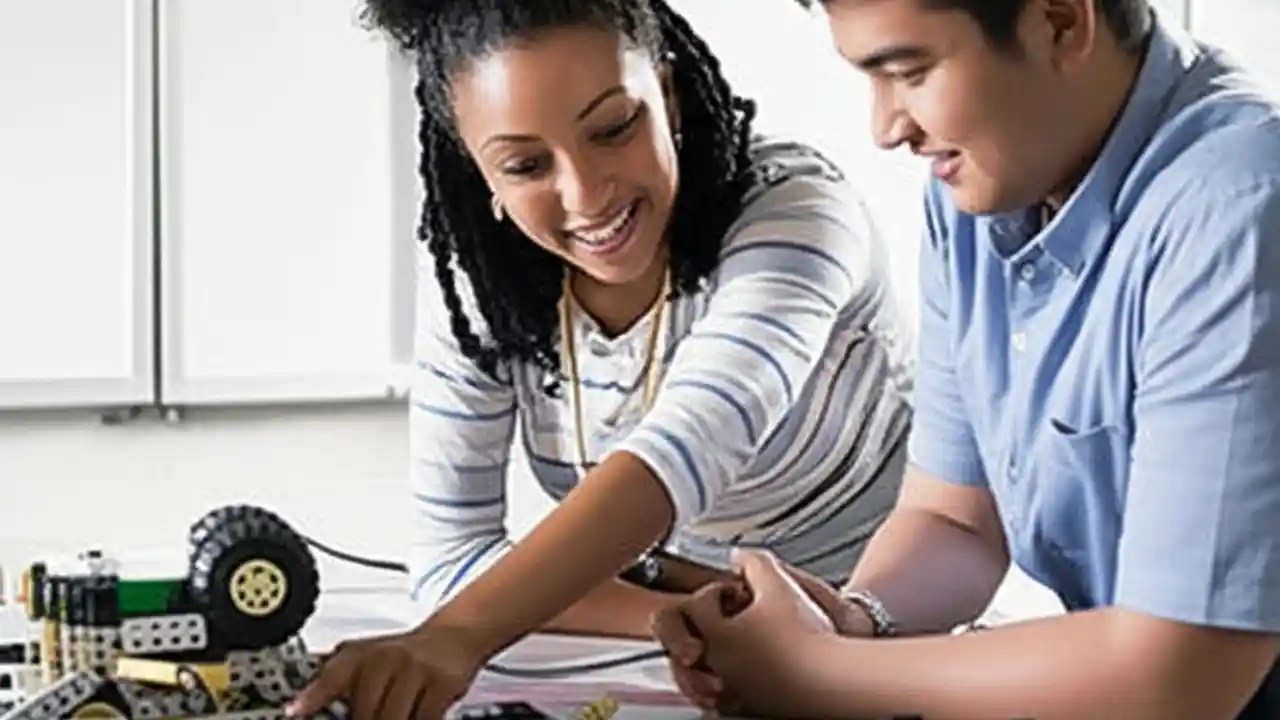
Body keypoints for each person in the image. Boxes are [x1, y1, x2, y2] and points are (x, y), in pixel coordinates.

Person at [654, 0, 1280, 718]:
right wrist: (849, 622)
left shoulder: (1239, 204)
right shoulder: (980, 192)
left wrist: (814, 669)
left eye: (910, 73)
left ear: (1059, 22)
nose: (886, 127)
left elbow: (1183, 673)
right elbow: (957, 518)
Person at [287, 0, 913, 717]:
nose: (587, 194)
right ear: (475, 165)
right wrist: (683, 610)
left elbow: (686, 445)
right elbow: (450, 561)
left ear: (668, 94)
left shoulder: (798, 213)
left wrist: (457, 637)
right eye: (524, 164)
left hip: (878, 624)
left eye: (614, 128)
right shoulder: (483, 285)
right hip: (697, 629)